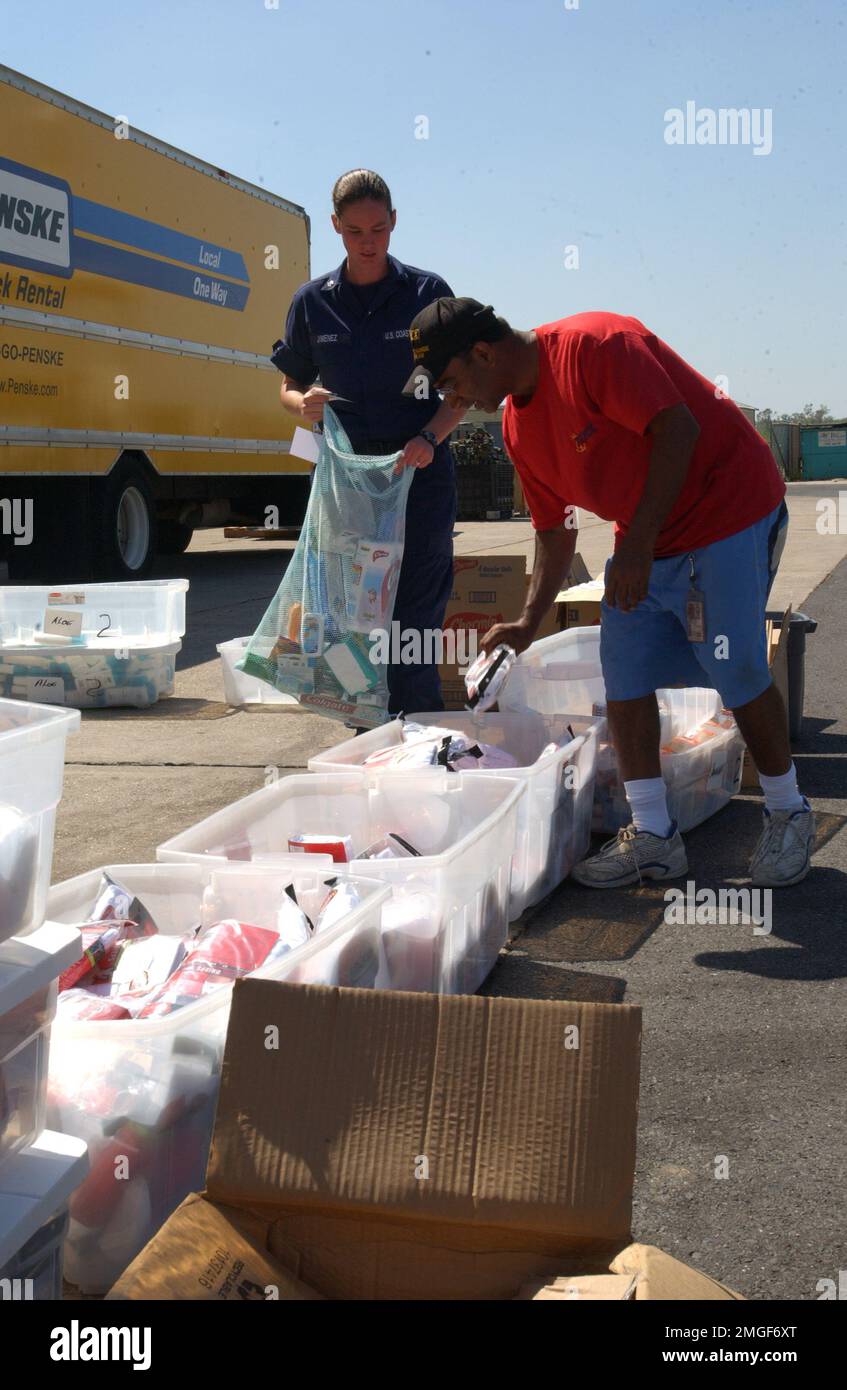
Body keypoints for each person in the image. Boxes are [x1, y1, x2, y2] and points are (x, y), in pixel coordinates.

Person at [402, 297, 814, 889]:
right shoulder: (519, 427)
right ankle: (652, 834)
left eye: (451, 381)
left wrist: (639, 548)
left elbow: (679, 429)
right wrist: (526, 621)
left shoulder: (595, 346)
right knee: (622, 675)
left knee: (735, 665)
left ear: (484, 352)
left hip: (728, 507)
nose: (453, 402)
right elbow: (554, 530)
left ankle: (788, 811)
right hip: (647, 533)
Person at [272, 169, 465, 714]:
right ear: (336, 227)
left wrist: (431, 436)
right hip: (346, 484)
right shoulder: (312, 303)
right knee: (355, 612)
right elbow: (288, 385)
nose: (369, 242)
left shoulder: (428, 294)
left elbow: (462, 388)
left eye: (379, 229)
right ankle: (367, 723)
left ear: (394, 222)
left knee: (415, 608)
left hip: (418, 474)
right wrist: (299, 403)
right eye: (355, 231)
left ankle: (421, 722)